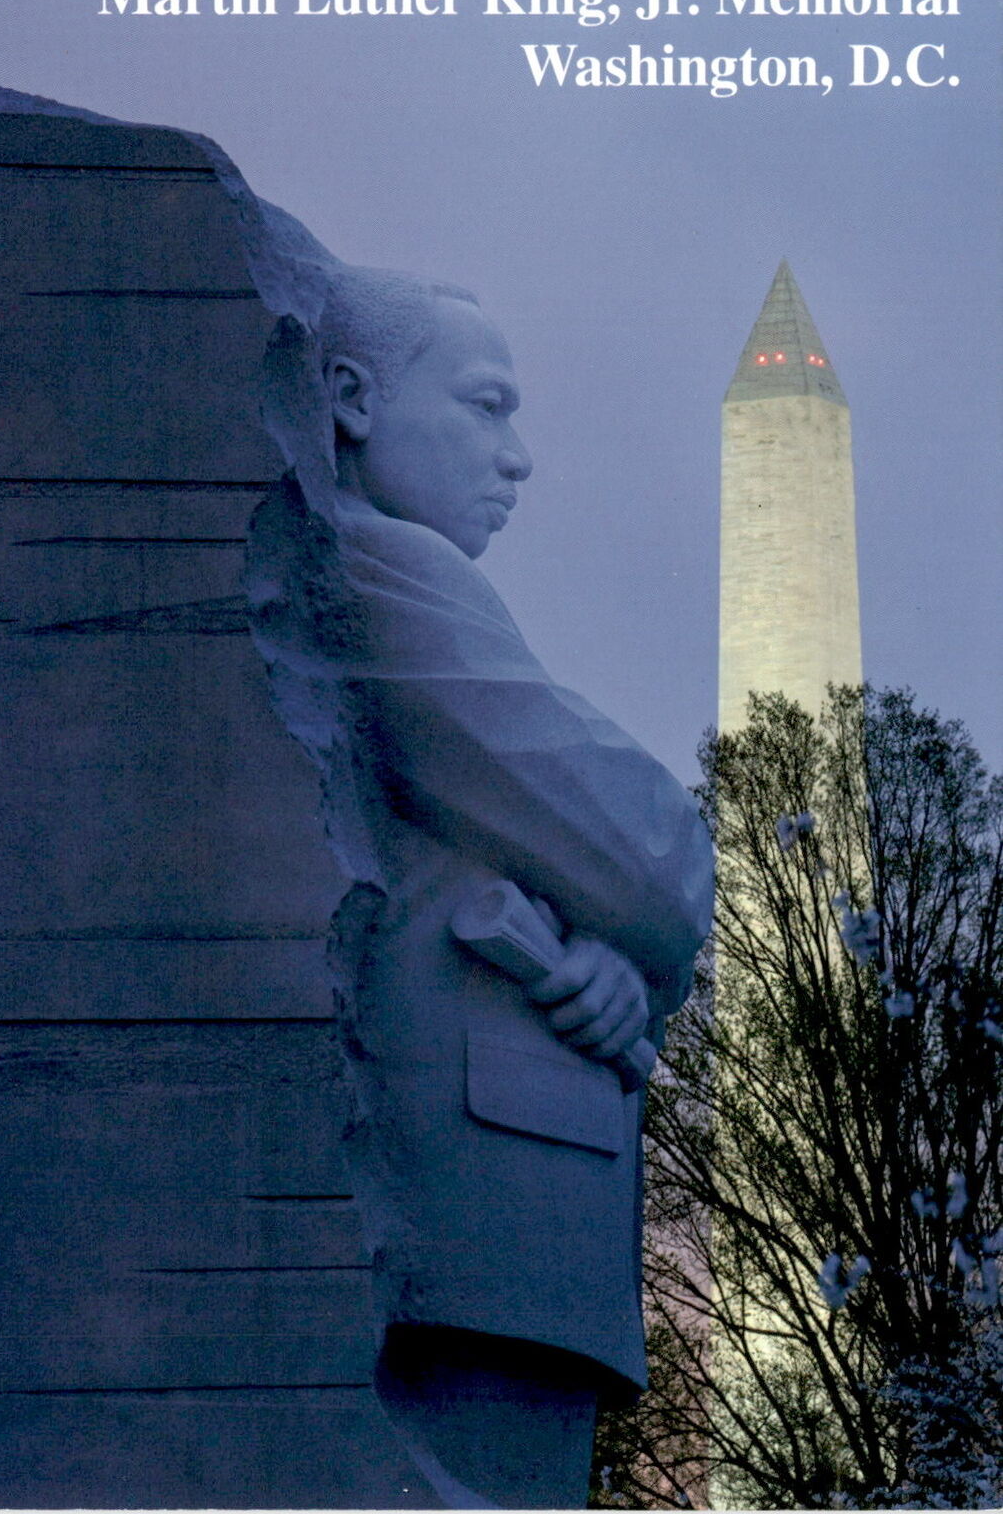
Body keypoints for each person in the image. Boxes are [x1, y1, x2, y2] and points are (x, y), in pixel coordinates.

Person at [246, 269, 713, 1508]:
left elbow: (579, 868)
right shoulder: (377, 563)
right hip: (483, 1197)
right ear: (347, 398)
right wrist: (639, 924)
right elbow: (645, 851)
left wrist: (626, 967)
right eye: (484, 406)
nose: (516, 461)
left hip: (513, 1199)